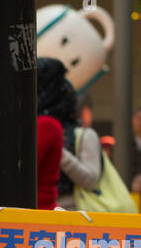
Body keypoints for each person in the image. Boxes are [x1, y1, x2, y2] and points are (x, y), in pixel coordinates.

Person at [36, 58, 100, 210]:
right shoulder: (41, 124)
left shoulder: (80, 134)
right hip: (51, 210)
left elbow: (91, 180)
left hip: (71, 208)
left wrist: (59, 152)